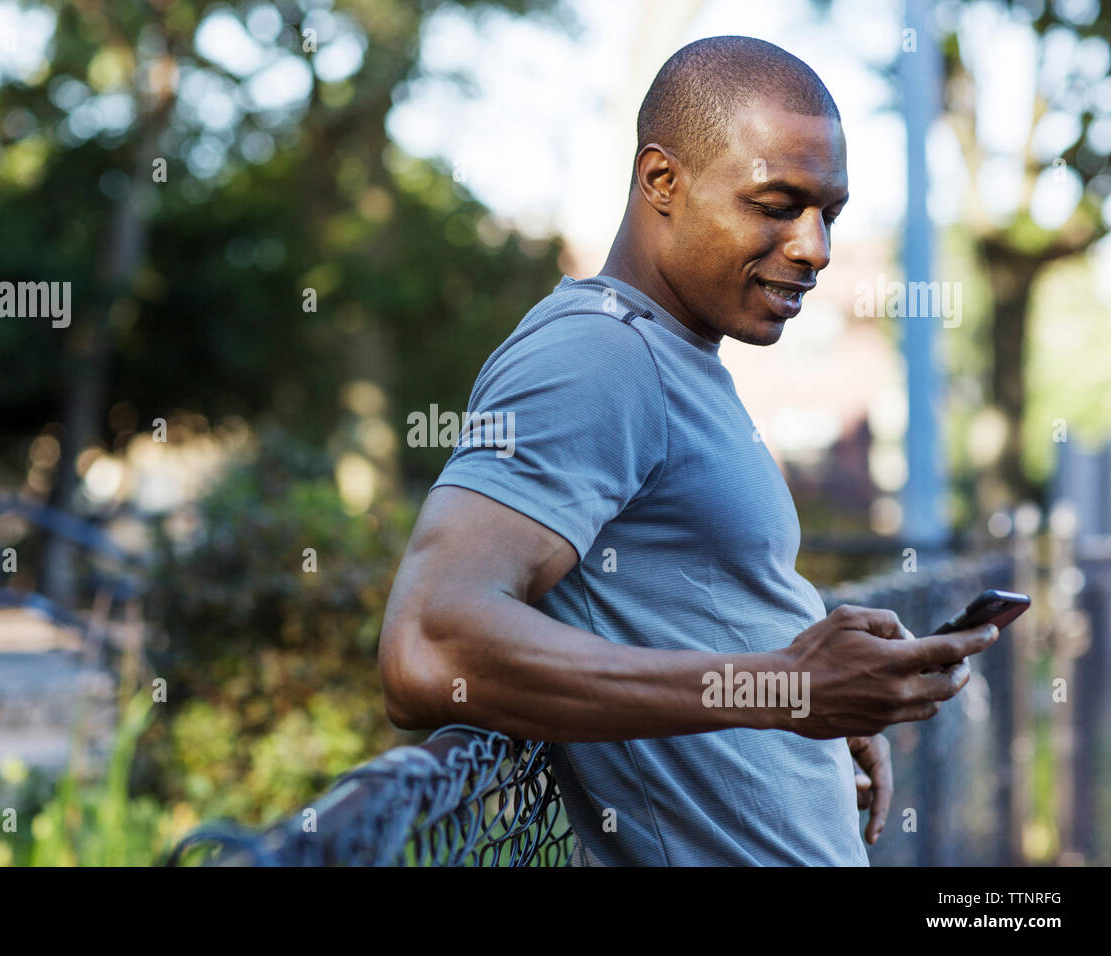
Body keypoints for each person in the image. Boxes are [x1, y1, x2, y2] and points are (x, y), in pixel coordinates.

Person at [377, 35, 998, 866]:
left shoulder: (675, 354)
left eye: (829, 214)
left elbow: (681, 608)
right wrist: (784, 688)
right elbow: (430, 643)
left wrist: (813, 689)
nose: (815, 247)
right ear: (661, 181)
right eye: (777, 203)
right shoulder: (594, 357)